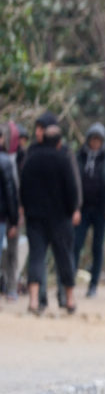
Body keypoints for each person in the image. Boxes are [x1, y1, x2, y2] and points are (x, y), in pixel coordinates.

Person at [19, 119, 80, 314]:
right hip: (59, 218)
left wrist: (26, 209)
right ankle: (70, 300)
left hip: (35, 218)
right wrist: (72, 210)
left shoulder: (31, 159)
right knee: (64, 258)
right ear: (59, 142)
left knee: (36, 257)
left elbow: (23, 188)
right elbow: (71, 189)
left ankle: (34, 302)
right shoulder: (62, 159)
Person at [75, 123, 105, 296]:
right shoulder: (79, 157)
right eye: (93, 139)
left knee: (97, 247)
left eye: (99, 140)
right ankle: (70, 281)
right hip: (82, 209)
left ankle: (93, 284)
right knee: (76, 245)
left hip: (100, 210)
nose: (95, 143)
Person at [0, 123, 20, 301]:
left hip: (5, 216)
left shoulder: (16, 157)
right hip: (4, 216)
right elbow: (10, 191)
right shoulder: (5, 161)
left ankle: (11, 288)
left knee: (10, 253)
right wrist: (14, 219)